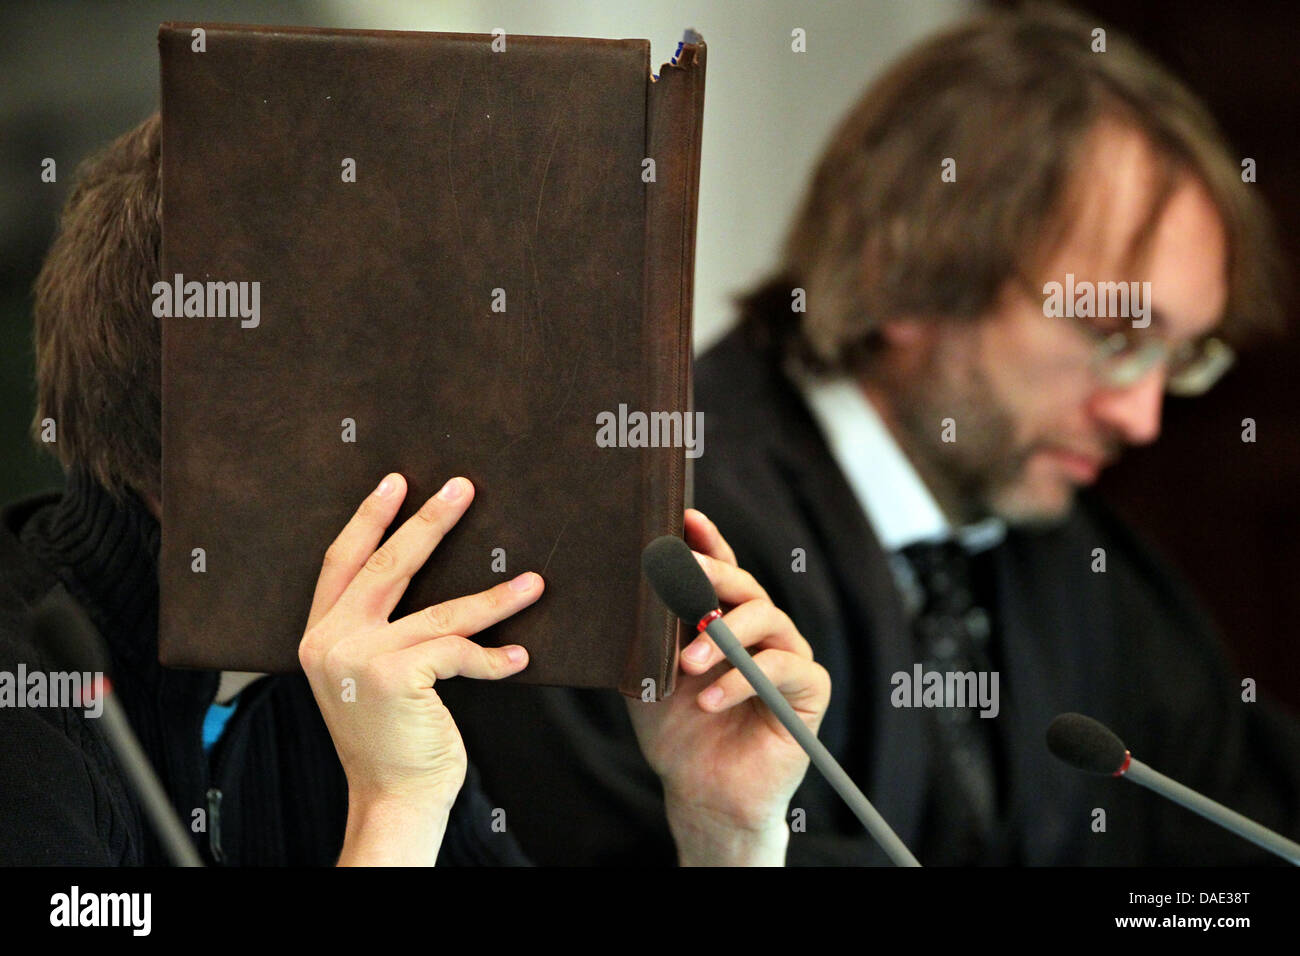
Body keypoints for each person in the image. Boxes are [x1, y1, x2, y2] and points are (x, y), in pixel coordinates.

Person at [436, 6, 1300, 865]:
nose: (1141, 417)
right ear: (913, 273)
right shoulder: (631, 530)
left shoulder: (1093, 573)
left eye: (1182, 359)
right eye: (1114, 339)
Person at [0, 111, 830, 866]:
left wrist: (725, 833)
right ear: (229, 429)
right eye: (423, 388)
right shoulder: (32, 698)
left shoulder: (347, 668)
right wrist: (392, 814)